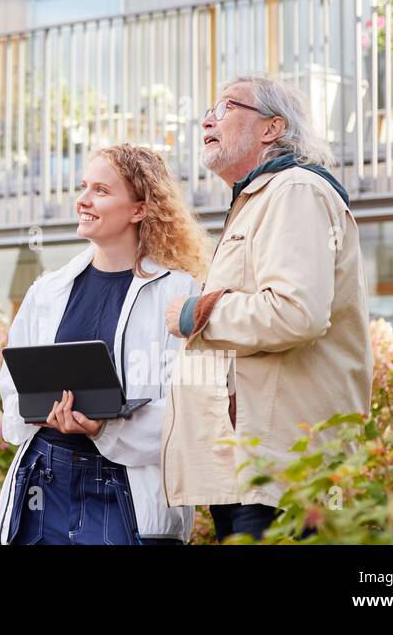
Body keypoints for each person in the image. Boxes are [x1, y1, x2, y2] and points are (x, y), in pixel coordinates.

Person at [161, 75, 373, 542]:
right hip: (249, 470)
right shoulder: (259, 199)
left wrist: (196, 314)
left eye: (226, 105)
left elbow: (296, 313)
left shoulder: (295, 190)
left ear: (272, 128)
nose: (206, 118)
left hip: (290, 472)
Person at [0, 144, 208, 545]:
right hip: (45, 482)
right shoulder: (48, 290)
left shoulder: (179, 293)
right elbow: (12, 384)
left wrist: (106, 428)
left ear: (139, 209)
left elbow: (189, 408)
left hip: (127, 493)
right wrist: (37, 412)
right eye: (83, 186)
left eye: (101, 191)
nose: (83, 200)